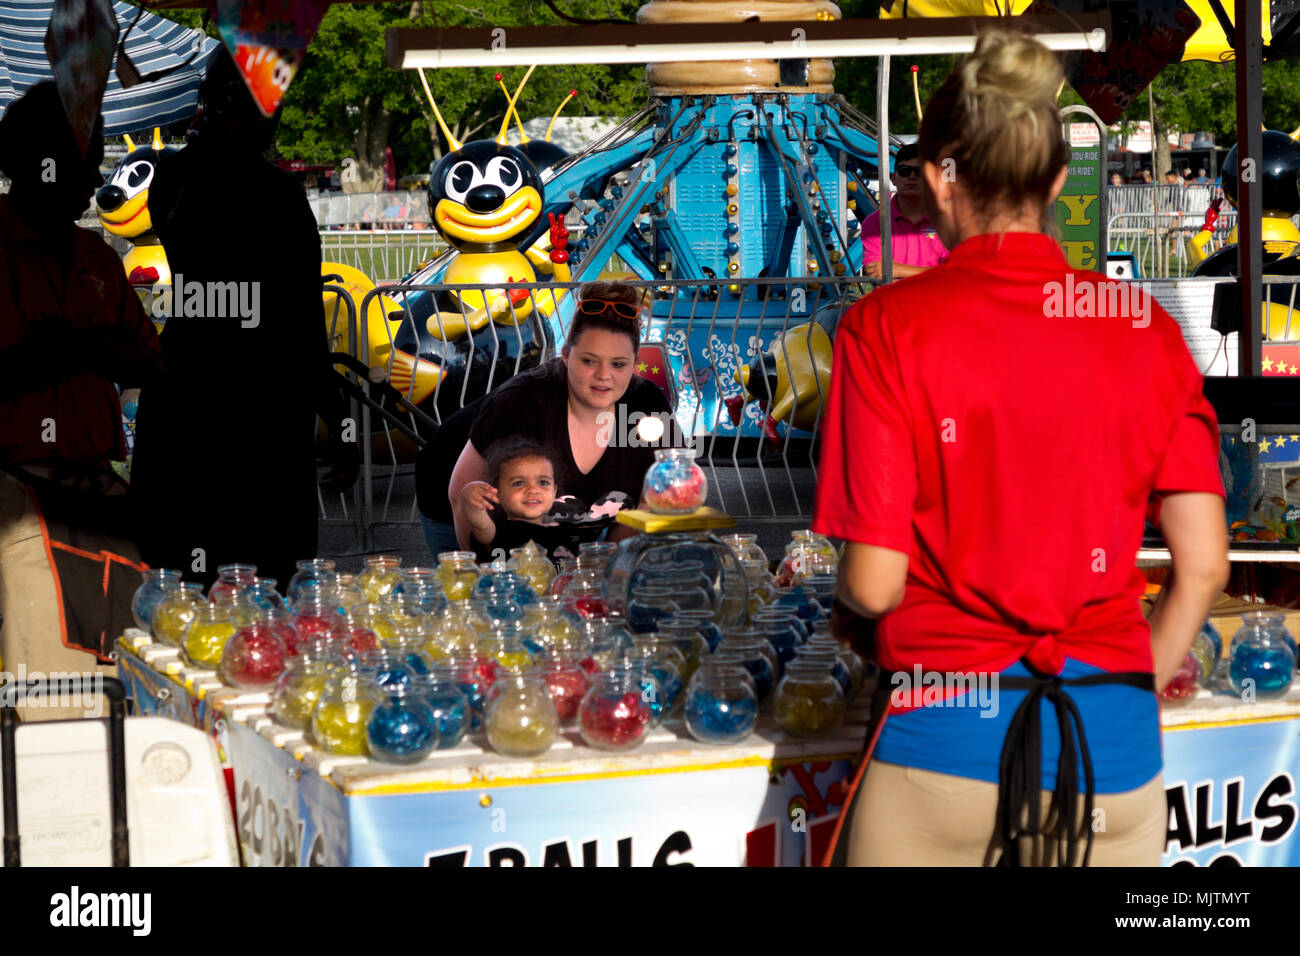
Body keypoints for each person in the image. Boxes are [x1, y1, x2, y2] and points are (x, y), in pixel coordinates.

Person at [815, 30, 1228, 867]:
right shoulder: (1144, 329)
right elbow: (1206, 566)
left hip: (940, 751)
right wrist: (1122, 685)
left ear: (938, 178)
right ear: (1055, 178)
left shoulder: (885, 325)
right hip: (1107, 757)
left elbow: (873, 581)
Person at [130, 47, 357, 591]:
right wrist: (338, 415)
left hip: (185, 392)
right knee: (267, 584)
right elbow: (301, 318)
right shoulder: (274, 194)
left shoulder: (173, 179)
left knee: (184, 583)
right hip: (261, 411)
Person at [0, 82, 163, 717]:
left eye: (93, 160)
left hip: (102, 495)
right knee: (43, 690)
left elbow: (146, 359)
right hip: (18, 495)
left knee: (119, 672)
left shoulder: (97, 254)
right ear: (28, 163)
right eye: (79, 160)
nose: (91, 177)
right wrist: (72, 350)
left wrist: (75, 348)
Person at [440, 281, 680, 552]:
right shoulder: (521, 405)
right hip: (454, 494)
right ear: (565, 356)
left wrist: (607, 568)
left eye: (618, 364)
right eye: (588, 361)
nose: (603, 375)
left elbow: (652, 500)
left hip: (564, 522)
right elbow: (462, 499)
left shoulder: (646, 405)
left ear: (635, 364)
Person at [459, 436, 585, 564]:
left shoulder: (565, 530)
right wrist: (470, 501)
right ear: (497, 492)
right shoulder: (497, 530)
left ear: (554, 492)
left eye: (542, 482)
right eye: (519, 483)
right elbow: (480, 525)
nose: (532, 489)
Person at [860, 143, 949, 280]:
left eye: (919, 171)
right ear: (893, 179)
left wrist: (897, 269)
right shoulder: (874, 223)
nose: (912, 176)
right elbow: (875, 274)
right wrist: (932, 275)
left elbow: (953, 274)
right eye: (904, 170)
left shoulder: (947, 221)